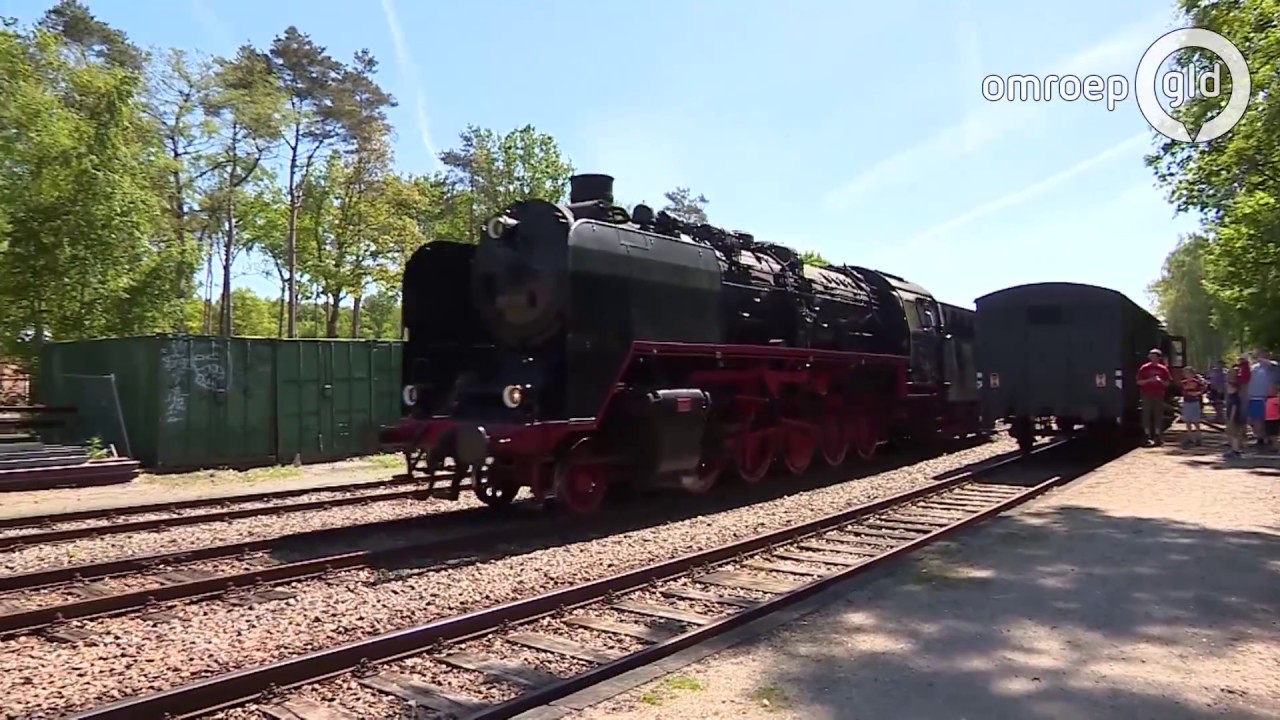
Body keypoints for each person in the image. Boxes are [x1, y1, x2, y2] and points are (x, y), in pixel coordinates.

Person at [1136, 348, 1172, 446]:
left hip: (1159, 395)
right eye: (1151, 356)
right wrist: (1149, 380)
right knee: (1146, 415)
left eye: (1155, 356)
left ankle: (1157, 435)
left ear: (1158, 358)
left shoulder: (1163, 369)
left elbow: (1168, 383)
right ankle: (1146, 435)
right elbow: (1138, 382)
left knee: (1158, 415)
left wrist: (1160, 381)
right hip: (1146, 395)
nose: (1152, 358)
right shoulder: (1144, 368)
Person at [1247, 348, 1277, 450]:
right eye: (1259, 354)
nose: (1260, 356)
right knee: (1256, 420)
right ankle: (1260, 439)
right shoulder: (1254, 368)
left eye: (1263, 354)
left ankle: (1269, 439)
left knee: (1268, 420)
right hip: (1254, 397)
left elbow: (1274, 368)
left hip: (1267, 398)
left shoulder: (1273, 366)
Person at [1179, 367, 1207, 446]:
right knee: (1187, 421)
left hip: (1195, 402)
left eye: (1188, 373)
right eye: (1185, 373)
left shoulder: (1197, 382)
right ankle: (1190, 437)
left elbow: (1203, 388)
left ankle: (1198, 437)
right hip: (1186, 401)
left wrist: (1198, 393)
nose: (1187, 375)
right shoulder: (1183, 382)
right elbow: (1183, 391)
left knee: (1196, 421)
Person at [1224, 368, 1245, 458]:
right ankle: (1234, 449)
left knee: (1234, 432)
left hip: (1234, 415)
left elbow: (1234, 408)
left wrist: (1231, 419)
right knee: (1232, 433)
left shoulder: (1235, 398)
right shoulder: (1232, 397)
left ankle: (1235, 450)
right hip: (1232, 414)